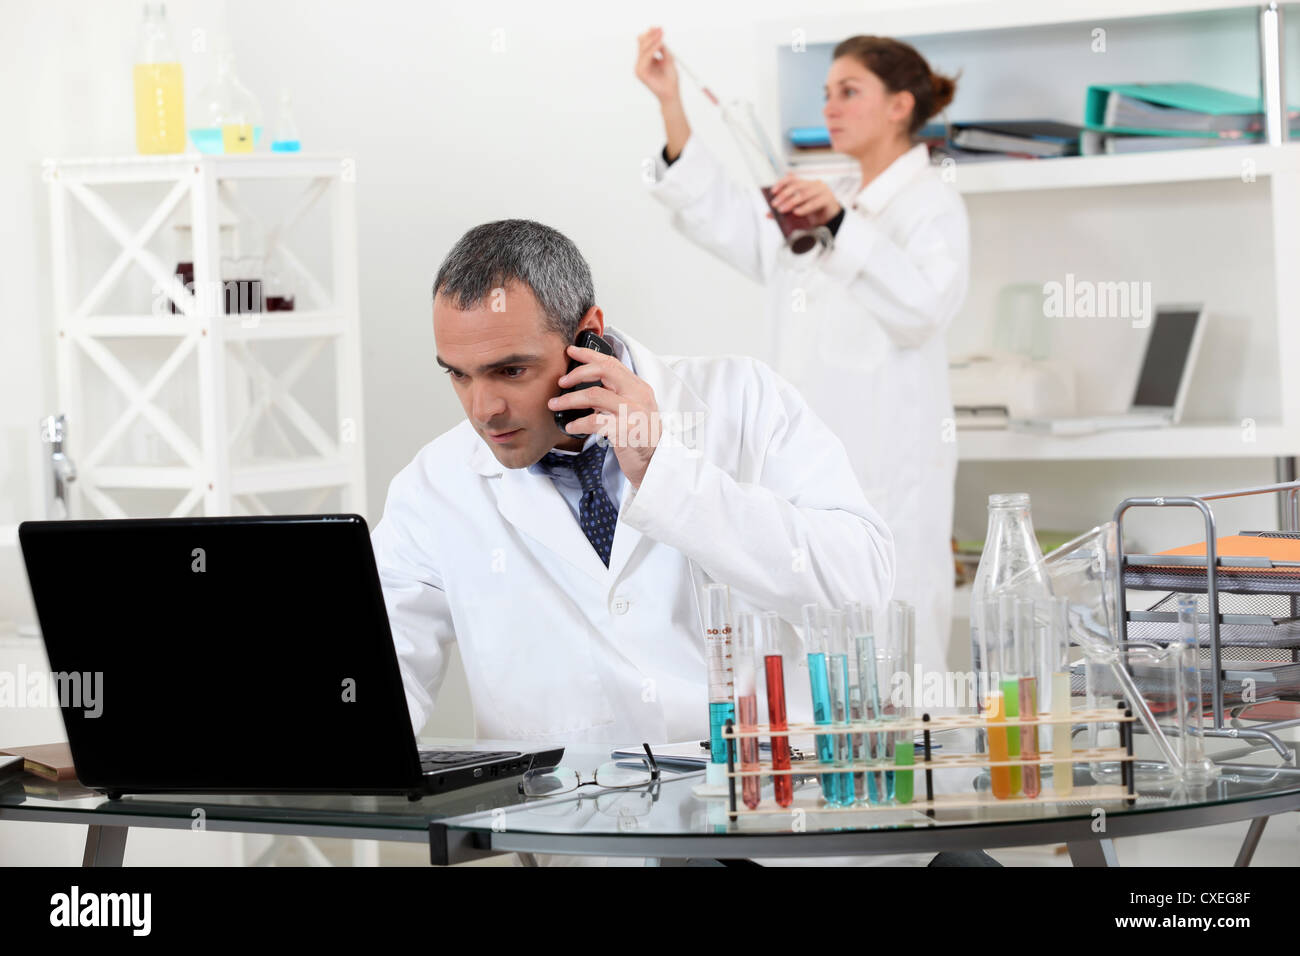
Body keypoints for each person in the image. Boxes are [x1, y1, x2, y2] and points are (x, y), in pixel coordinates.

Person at [370, 218, 894, 749]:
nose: (483, 411)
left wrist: (665, 471)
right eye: (458, 374)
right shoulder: (432, 487)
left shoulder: (744, 400)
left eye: (511, 371)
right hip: (555, 823)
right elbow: (376, 678)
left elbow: (861, 591)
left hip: (757, 806)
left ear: (586, 335)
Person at [636, 27, 969, 699]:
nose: (830, 107)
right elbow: (732, 224)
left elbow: (924, 309)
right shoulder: (831, 196)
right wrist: (672, 103)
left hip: (887, 488)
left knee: (897, 669)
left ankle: (907, 804)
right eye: (825, 94)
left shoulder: (930, 202)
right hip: (801, 482)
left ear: (901, 105)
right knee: (808, 668)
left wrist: (844, 225)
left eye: (849, 91)